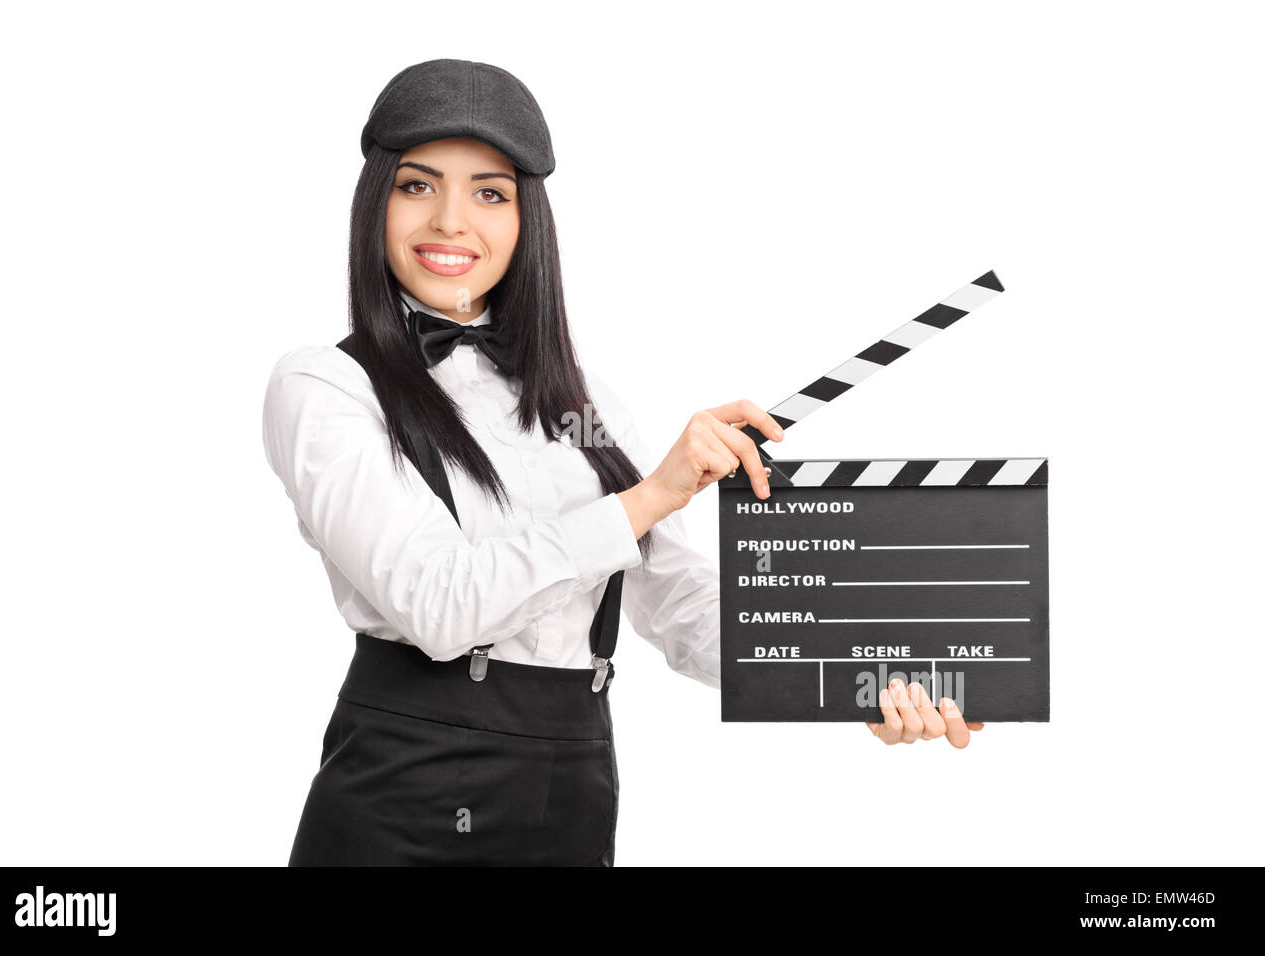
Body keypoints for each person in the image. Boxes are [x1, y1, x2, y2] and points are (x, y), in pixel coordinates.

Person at [261, 59, 981, 867]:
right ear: (376, 203)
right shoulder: (325, 384)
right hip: (401, 792)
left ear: (528, 217)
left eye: (490, 192)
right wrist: (651, 496)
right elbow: (438, 606)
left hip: (569, 786)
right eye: (418, 185)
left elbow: (677, 604)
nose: (452, 220)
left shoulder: (583, 400)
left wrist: (853, 682)